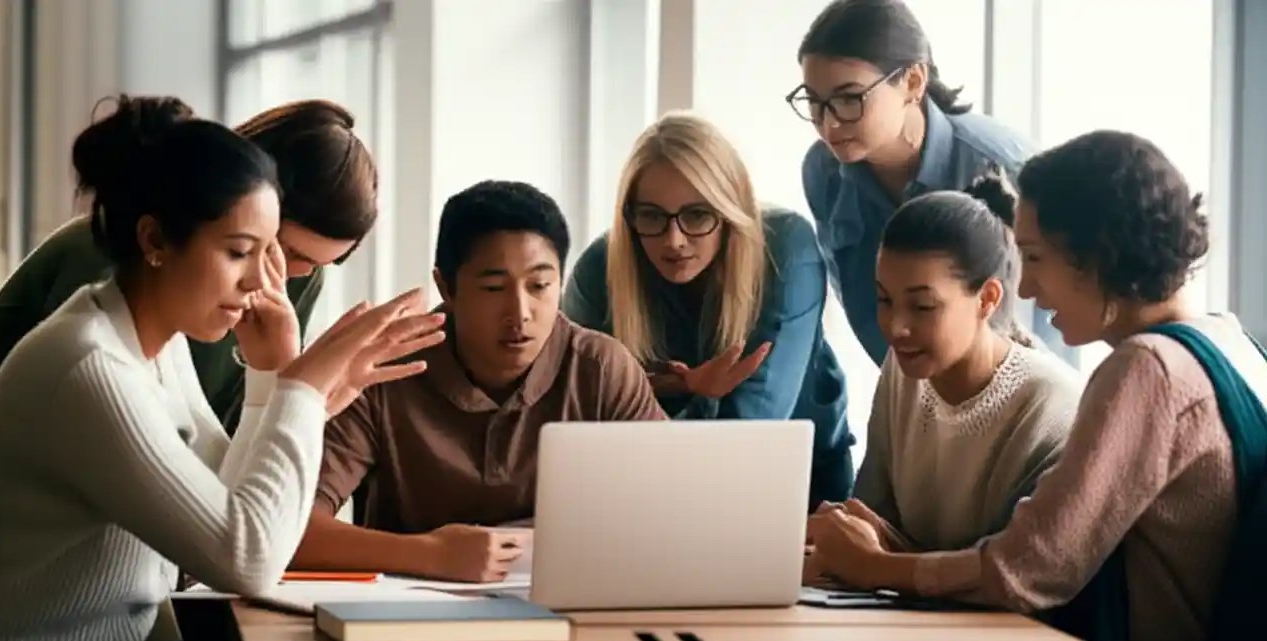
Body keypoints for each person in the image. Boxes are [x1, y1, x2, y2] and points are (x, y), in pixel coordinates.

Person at [0, 99, 442, 641]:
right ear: (154, 240)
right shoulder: (88, 366)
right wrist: (301, 390)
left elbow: (225, 502)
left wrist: (274, 376)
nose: (263, 282)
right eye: (239, 252)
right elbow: (245, 559)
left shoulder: (153, 342)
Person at [804, 130, 1265, 641]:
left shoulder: (1149, 370)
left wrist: (875, 565)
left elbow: (1030, 569)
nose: (1026, 292)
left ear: (1094, 255)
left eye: (1035, 258)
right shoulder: (1234, 343)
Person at [291, 180, 666, 583]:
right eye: (492, 287)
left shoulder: (601, 369)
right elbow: (288, 533)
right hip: (408, 619)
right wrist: (432, 554)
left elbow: (673, 511)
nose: (520, 312)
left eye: (540, 286)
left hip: (567, 609)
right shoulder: (384, 369)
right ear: (446, 288)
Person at [0, 95, 378, 433]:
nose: (295, 273)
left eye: (324, 262)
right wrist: (300, 402)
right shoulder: (107, 271)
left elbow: (229, 454)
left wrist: (298, 389)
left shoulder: (298, 278)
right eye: (287, 252)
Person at [563, 112, 856, 507]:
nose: (674, 240)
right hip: (638, 499)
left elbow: (750, 433)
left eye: (697, 215)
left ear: (730, 209)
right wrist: (686, 386)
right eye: (651, 215)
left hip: (793, 499)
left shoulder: (786, 251)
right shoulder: (600, 268)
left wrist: (650, 395)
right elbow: (579, 422)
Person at [788, 0, 1068, 366]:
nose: (829, 123)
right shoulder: (823, 171)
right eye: (814, 102)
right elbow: (867, 311)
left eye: (849, 98)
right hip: (910, 387)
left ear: (913, 81)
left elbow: (1057, 316)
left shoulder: (1001, 166)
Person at [845, 171, 1081, 553]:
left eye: (923, 306)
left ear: (987, 299)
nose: (896, 328)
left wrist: (881, 553)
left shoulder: (1050, 405)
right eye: (884, 300)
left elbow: (1006, 576)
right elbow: (871, 515)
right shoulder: (903, 368)